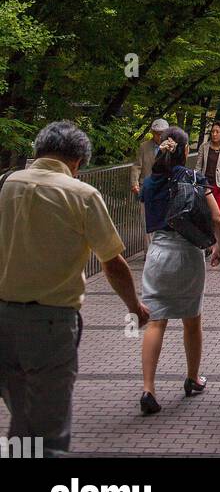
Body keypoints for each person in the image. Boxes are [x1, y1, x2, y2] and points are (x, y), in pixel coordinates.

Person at [0, 121, 148, 456]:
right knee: (48, 428)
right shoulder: (81, 194)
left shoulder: (7, 184)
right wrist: (135, 308)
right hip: (51, 324)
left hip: (4, 318)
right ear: (77, 162)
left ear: (39, 151)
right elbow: (112, 262)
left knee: (23, 418)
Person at [138, 128, 220, 415]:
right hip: (187, 253)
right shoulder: (195, 179)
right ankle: (192, 378)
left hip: (158, 253)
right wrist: (218, 247)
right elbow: (217, 218)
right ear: (185, 151)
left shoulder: (150, 183)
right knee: (192, 320)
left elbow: (148, 214)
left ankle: (148, 388)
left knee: (155, 321)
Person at [131, 119, 170, 195]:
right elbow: (137, 166)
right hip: (146, 186)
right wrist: (135, 183)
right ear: (152, 133)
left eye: (162, 134)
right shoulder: (143, 146)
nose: (160, 137)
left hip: (164, 186)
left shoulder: (171, 147)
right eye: (157, 134)